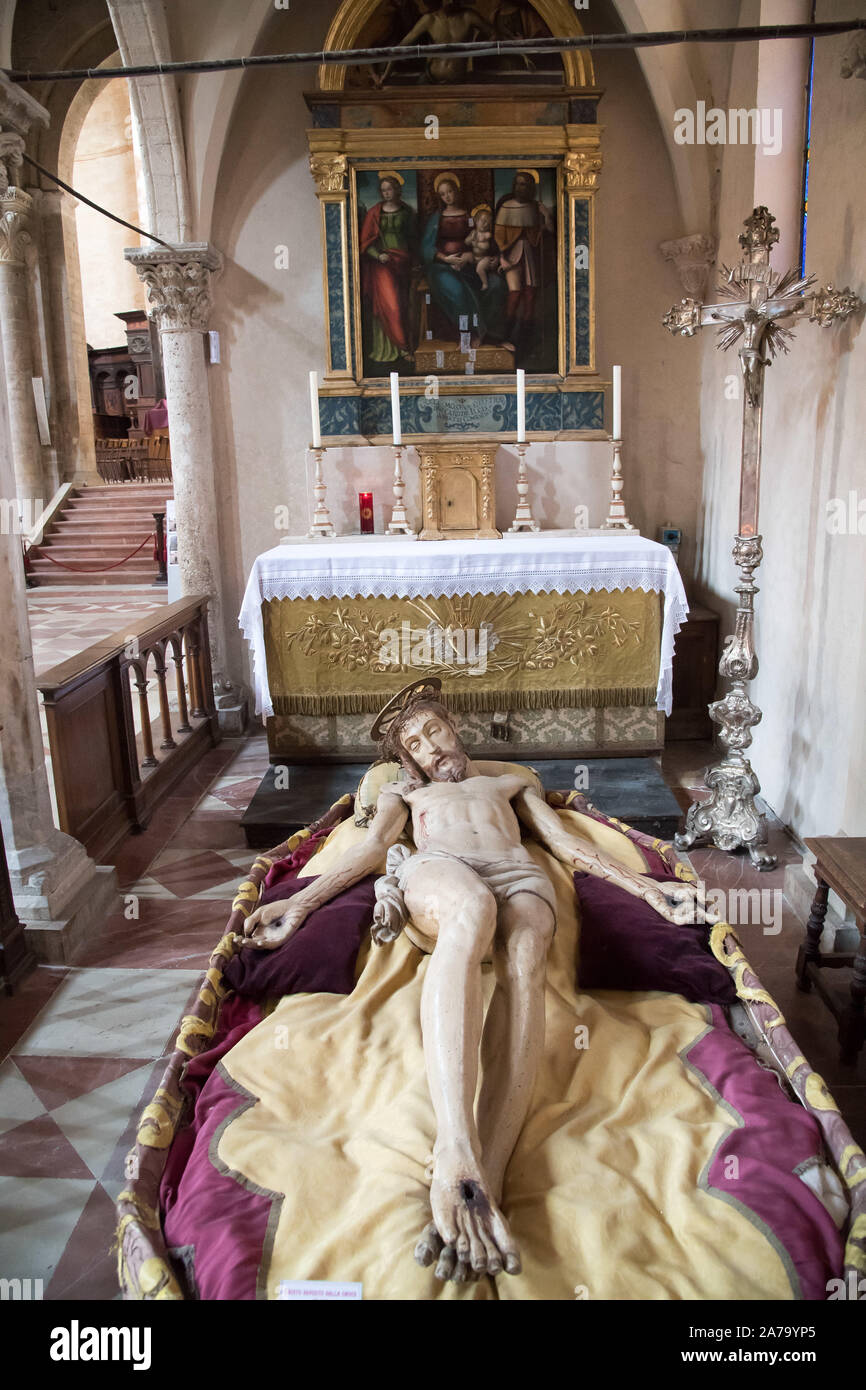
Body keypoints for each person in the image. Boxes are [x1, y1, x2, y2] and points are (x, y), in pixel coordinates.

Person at [242, 679, 713, 1284]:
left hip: (518, 872)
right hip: (443, 870)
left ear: (454, 726)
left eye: (434, 729)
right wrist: (302, 904)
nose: (430, 744)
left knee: (525, 959)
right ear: (405, 758)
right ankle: (453, 1148)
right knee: (470, 913)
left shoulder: (509, 782)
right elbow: (367, 852)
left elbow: (566, 845)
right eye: (414, 741)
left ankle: (479, 1179)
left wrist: (650, 889)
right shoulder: (403, 794)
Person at [422, 173, 508, 349]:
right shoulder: (436, 218)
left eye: (450, 191)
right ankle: (468, 332)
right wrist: (445, 259)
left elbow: (483, 240)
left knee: (497, 285)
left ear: (457, 191)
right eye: (443, 194)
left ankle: (488, 332)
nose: (447, 196)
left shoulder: (470, 216)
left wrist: (486, 258)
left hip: (471, 266)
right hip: (442, 268)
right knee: (459, 292)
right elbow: (425, 247)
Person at [494, 168, 554, 355]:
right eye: (519, 183)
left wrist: (546, 216)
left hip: (530, 254)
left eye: (526, 184)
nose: (522, 187)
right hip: (511, 255)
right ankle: (505, 334)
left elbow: (547, 232)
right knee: (515, 294)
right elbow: (498, 236)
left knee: (530, 296)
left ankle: (524, 338)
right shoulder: (506, 207)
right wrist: (502, 257)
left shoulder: (535, 208)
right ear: (514, 186)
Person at [359, 171, 416, 366]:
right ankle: (399, 347)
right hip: (381, 264)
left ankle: (402, 346)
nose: (386, 193)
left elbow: (413, 239)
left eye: (389, 189)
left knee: (402, 303)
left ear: (397, 190)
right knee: (389, 305)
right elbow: (365, 242)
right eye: (383, 190)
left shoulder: (407, 212)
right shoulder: (374, 213)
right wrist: (378, 255)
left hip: (402, 263)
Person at [464, 204, 500, 291]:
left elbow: (486, 247)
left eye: (488, 222)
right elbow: (466, 242)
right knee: (466, 255)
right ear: (476, 221)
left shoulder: (488, 234)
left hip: (485, 258)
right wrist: (470, 239)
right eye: (482, 221)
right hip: (474, 256)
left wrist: (476, 244)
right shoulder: (473, 232)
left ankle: (485, 283)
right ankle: (457, 266)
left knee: (479, 269)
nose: (485, 224)